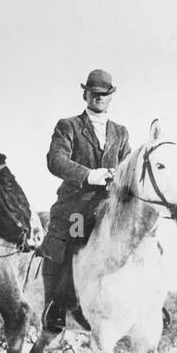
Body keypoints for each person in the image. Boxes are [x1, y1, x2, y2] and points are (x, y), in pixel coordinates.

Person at [38, 68, 131, 333]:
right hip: (76, 206)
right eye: (94, 93)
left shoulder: (121, 133)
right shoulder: (68, 126)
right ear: (85, 94)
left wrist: (119, 176)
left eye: (104, 94)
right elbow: (55, 161)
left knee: (140, 233)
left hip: (110, 207)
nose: (99, 98)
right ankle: (57, 304)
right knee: (76, 237)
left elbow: (129, 165)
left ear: (111, 97)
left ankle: (148, 301)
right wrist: (89, 175)